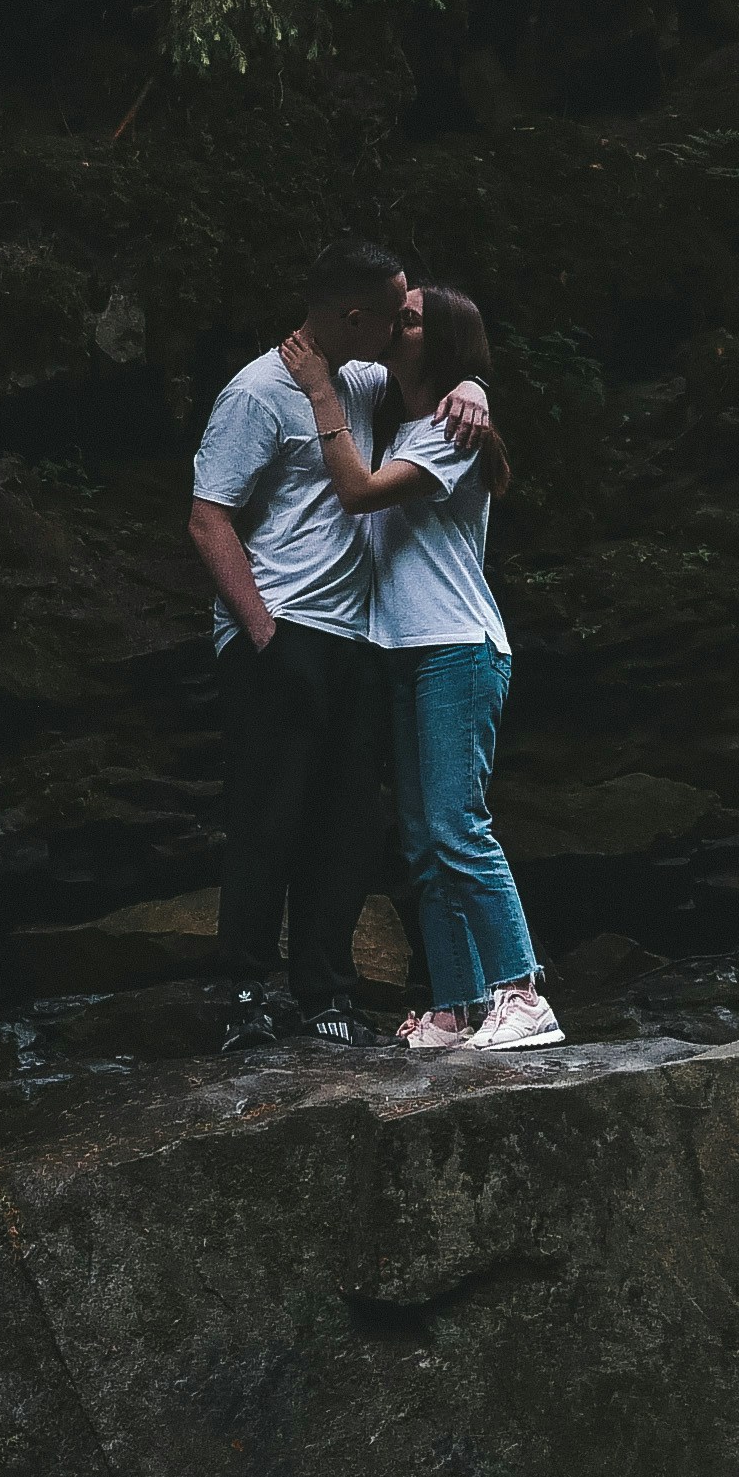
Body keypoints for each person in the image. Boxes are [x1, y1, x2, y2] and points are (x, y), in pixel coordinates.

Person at [186, 241, 488, 1050]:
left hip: (358, 637)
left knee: (349, 825)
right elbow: (207, 517)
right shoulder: (257, 392)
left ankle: (328, 992)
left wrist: (474, 385)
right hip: (280, 629)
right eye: (396, 314)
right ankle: (246, 992)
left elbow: (438, 371)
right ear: (356, 317)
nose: (402, 329)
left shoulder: (359, 379)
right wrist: (259, 629)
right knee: (268, 814)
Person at [281, 283, 563, 1052]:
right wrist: (473, 382)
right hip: (400, 650)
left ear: (437, 345)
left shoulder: (448, 428)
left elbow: (359, 491)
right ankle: (455, 1005)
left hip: (456, 647)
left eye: (409, 320)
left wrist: (318, 393)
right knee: (420, 841)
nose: (392, 325)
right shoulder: (393, 407)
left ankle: (521, 991)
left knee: (456, 827)